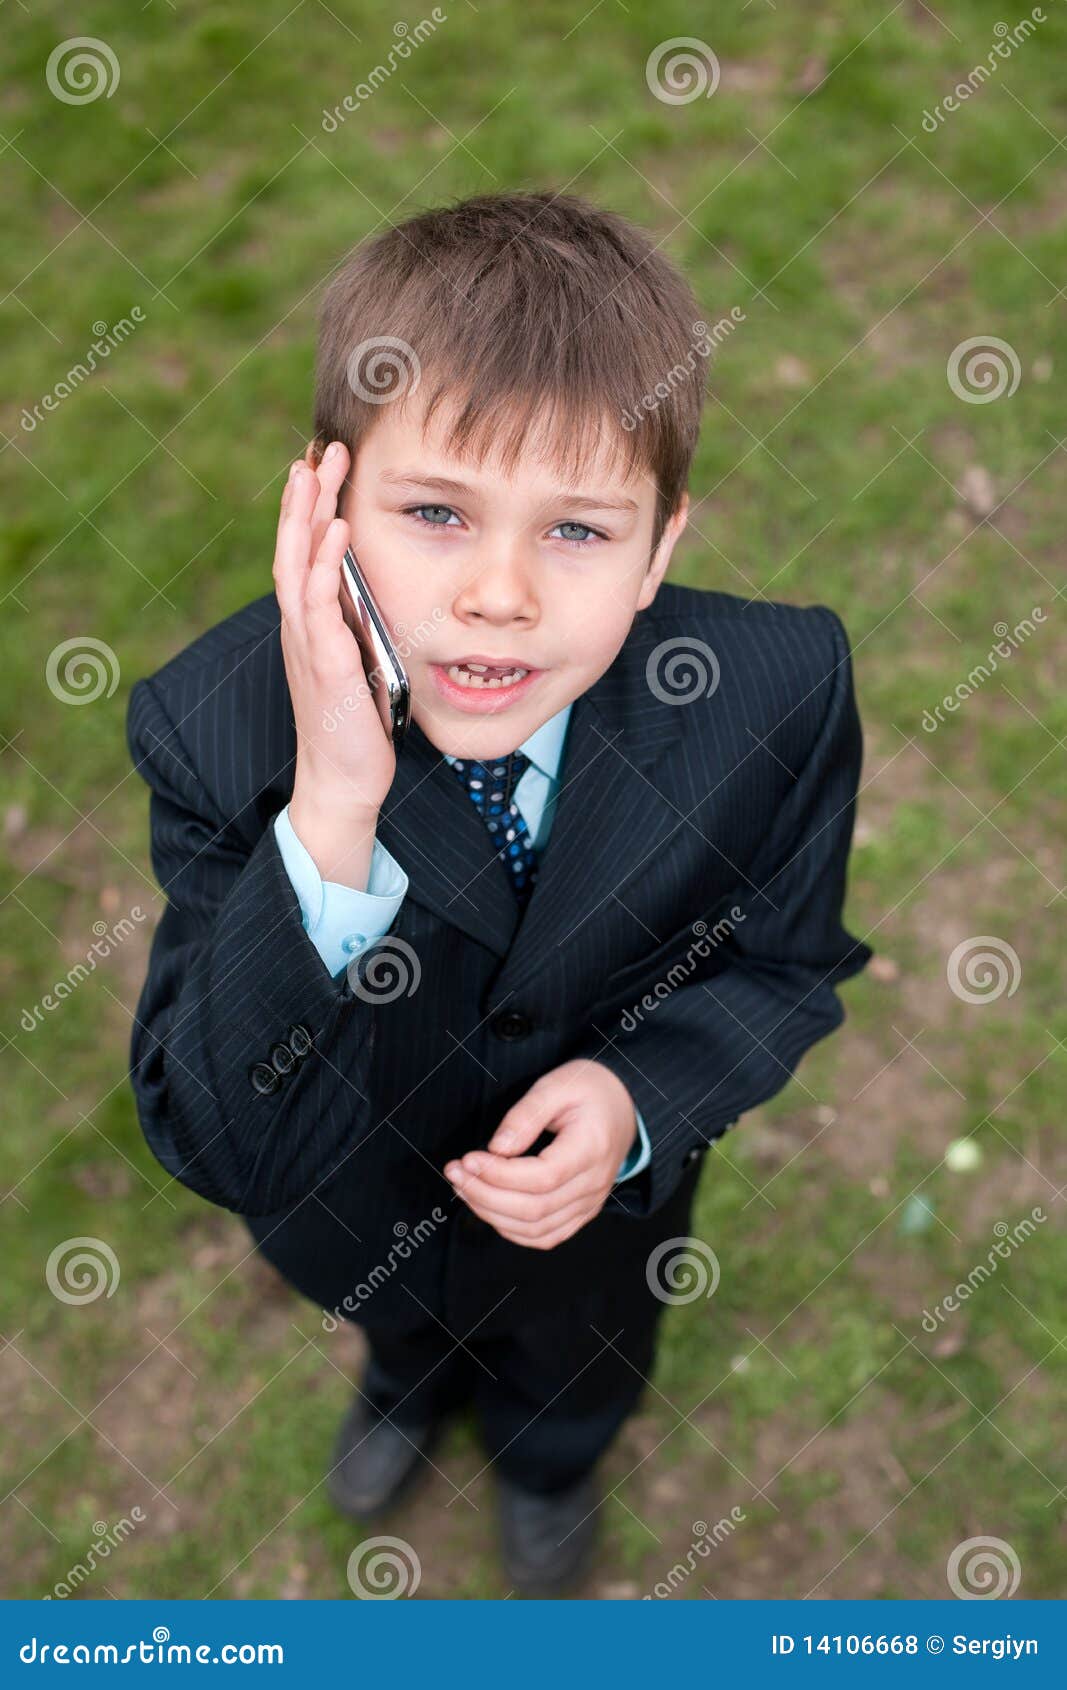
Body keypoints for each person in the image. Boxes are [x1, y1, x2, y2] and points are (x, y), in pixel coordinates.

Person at [126, 190, 871, 1597]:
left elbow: (787, 964)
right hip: (353, 1216)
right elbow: (219, 1135)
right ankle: (402, 1391)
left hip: (604, 1240)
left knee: (579, 1369)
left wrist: (640, 1096)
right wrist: (334, 803)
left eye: (579, 531)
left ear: (661, 546)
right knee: (399, 1330)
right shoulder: (217, 728)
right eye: (434, 512)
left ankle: (550, 1460)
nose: (500, 594)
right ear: (327, 503)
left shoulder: (773, 695)